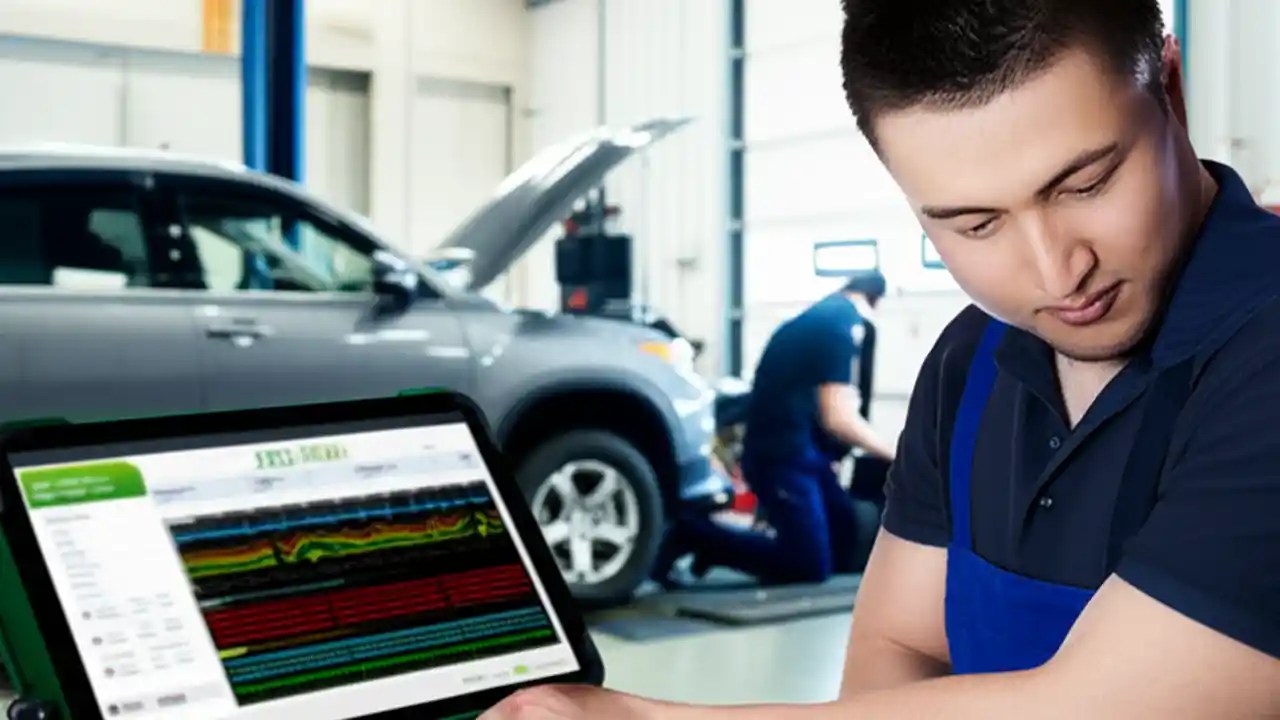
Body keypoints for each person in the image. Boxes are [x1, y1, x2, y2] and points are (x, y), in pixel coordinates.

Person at [483, 0, 1280, 717]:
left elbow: (1101, 706)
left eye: (1086, 185)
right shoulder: (971, 360)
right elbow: (897, 649)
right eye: (975, 224)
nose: (1054, 269)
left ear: (1170, 90)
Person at [653, 270, 897, 587]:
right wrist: (897, 456)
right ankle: (695, 535)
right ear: (874, 301)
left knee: (846, 536)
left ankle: (731, 540)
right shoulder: (841, 324)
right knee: (808, 566)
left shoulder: (820, 316)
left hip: (805, 455)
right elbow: (838, 417)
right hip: (782, 459)